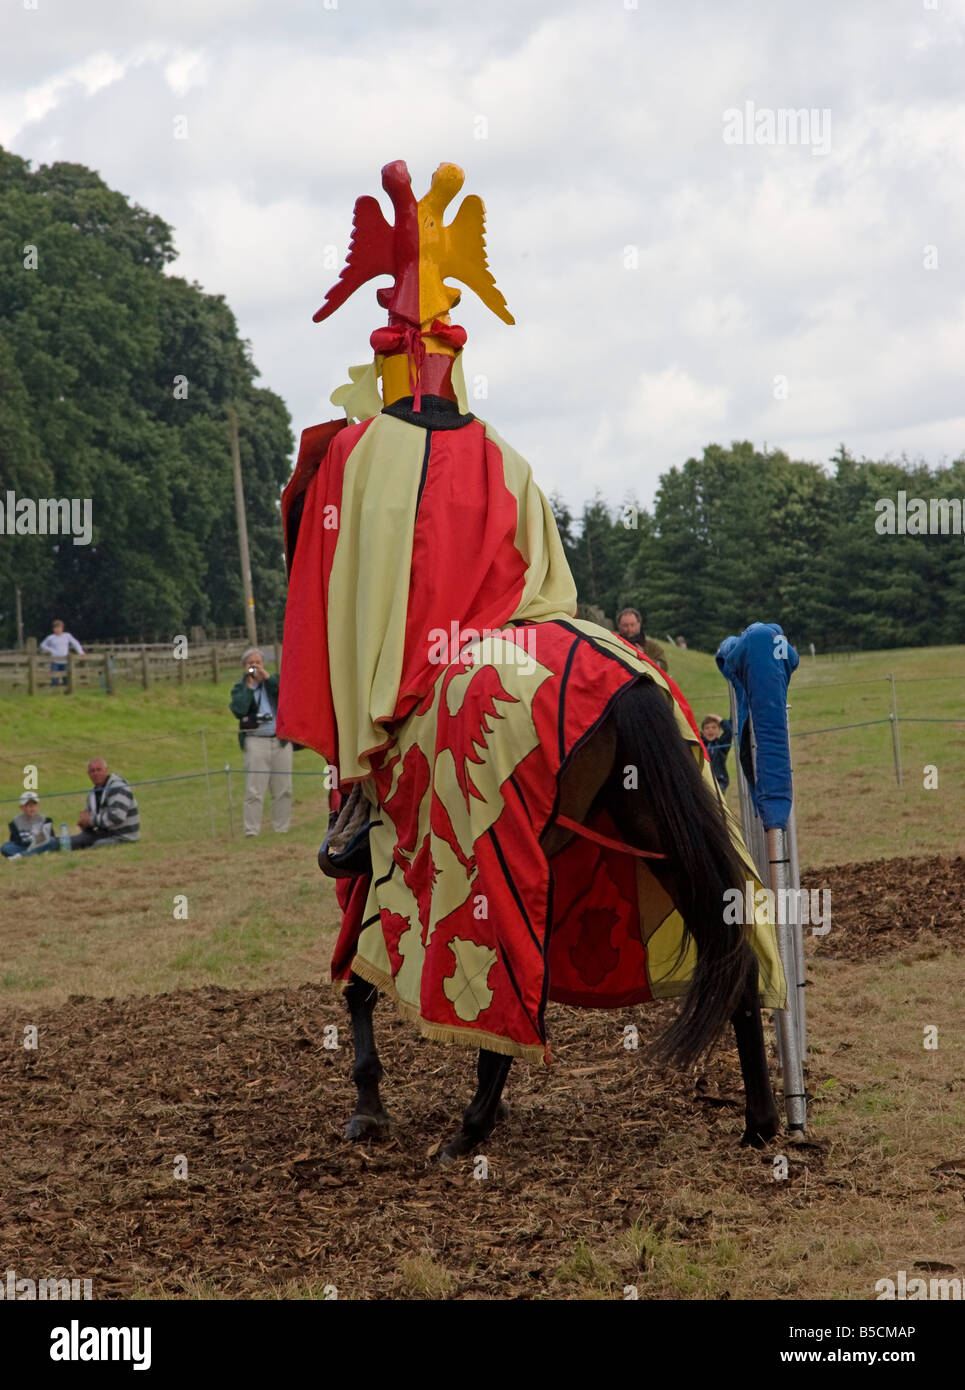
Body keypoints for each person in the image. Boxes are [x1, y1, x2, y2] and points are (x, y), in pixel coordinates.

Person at [230, 648, 293, 835]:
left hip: (279, 741)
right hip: (255, 741)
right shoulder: (240, 688)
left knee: (283, 788)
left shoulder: (272, 682)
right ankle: (251, 830)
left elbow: (287, 694)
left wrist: (268, 678)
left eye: (258, 662)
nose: (255, 666)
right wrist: (250, 687)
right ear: (244, 667)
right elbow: (239, 710)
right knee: (255, 789)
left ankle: (281, 828)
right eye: (251, 663)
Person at [69, 758, 140, 849]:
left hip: (123, 836)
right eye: (92, 771)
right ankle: (49, 842)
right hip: (105, 833)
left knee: (95, 846)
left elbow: (117, 817)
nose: (96, 773)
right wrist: (84, 823)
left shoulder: (118, 787)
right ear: (88, 774)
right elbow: (94, 821)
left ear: (106, 770)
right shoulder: (92, 795)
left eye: (99, 770)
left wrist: (91, 820)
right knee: (74, 841)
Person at [2, 793, 57, 858]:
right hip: (23, 846)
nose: (32, 807)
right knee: (6, 847)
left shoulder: (45, 820)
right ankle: (33, 853)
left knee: (52, 840)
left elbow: (50, 836)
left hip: (40, 845)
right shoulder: (15, 822)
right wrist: (29, 842)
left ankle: (22, 855)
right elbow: (15, 840)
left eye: (34, 804)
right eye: (28, 805)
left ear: (38, 806)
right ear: (22, 807)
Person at [615, 607, 668, 672]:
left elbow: (663, 667)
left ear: (639, 624)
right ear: (619, 626)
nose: (629, 629)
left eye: (632, 625)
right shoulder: (613, 645)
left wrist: (644, 658)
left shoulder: (653, 647)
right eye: (625, 626)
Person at [39, 619, 85, 689]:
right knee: (54, 680)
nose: (58, 629)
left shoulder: (67, 636)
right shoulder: (50, 637)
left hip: (65, 661)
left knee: (67, 680)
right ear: (53, 629)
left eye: (59, 627)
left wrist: (81, 652)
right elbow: (42, 645)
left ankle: (67, 693)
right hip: (55, 661)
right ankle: (55, 693)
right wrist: (51, 650)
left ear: (62, 628)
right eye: (56, 628)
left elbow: (75, 643)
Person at [700, 713, 733, 792]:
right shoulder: (700, 744)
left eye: (714, 727)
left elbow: (729, 731)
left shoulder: (721, 744)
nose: (710, 730)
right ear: (703, 731)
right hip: (703, 781)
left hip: (719, 780)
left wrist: (717, 718)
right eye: (707, 728)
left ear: (719, 730)